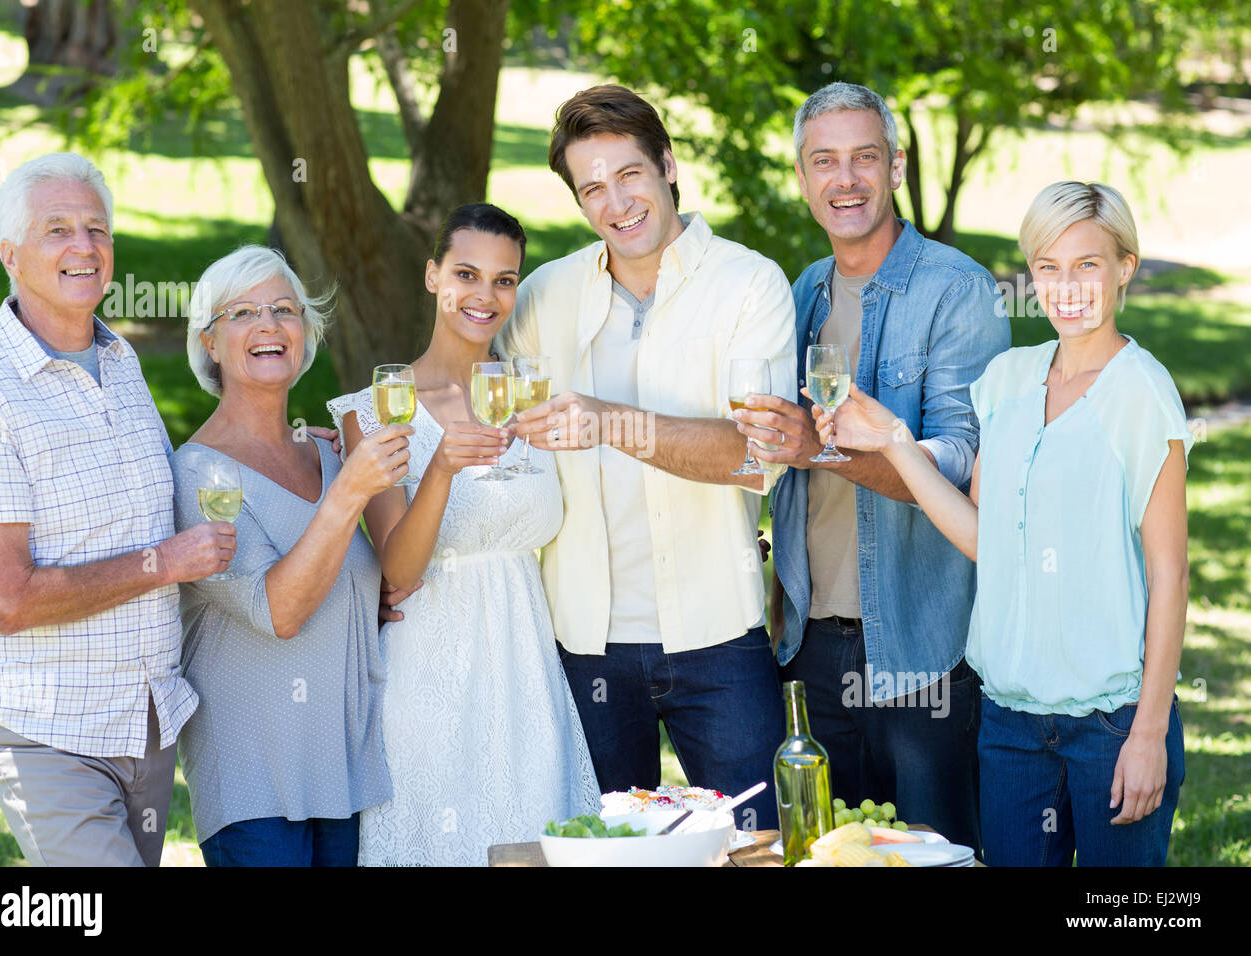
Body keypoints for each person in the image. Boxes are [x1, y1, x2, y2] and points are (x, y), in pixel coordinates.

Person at [819, 181, 1189, 866]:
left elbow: (1169, 574)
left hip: (1111, 722)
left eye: (1087, 265)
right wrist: (898, 440)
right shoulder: (1007, 381)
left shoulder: (1143, 392)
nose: (1066, 286)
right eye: (1047, 268)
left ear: (1124, 269)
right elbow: (982, 538)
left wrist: (1149, 732)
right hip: (1009, 725)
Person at [500, 86, 796, 831]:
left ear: (666, 165)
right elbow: (488, 421)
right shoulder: (544, 297)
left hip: (718, 637)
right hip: (583, 641)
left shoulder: (748, 284)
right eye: (592, 187)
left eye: (629, 174)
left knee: (756, 845)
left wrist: (611, 422)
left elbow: (755, 461)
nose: (616, 203)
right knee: (597, 853)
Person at [734, 82, 1009, 849]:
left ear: (895, 167)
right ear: (802, 178)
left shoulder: (959, 290)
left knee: (934, 854)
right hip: (811, 644)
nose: (844, 179)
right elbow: (775, 451)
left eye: (864, 157)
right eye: (824, 161)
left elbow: (957, 465)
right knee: (829, 853)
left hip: (923, 646)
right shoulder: (803, 295)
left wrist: (822, 449)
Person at [0, 153, 233, 866]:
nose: (84, 247)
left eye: (96, 229)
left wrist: (287, 449)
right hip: (45, 725)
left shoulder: (120, 361)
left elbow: (145, 500)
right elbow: (8, 600)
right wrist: (162, 565)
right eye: (57, 230)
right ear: (11, 254)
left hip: (142, 718)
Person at [330, 203, 601, 866]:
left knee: (532, 848)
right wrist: (443, 468)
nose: (485, 296)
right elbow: (398, 570)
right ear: (433, 276)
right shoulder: (377, 411)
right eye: (467, 274)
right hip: (429, 678)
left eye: (505, 280)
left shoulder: (533, 397)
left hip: (527, 675)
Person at [170, 245, 412, 866]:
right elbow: (278, 611)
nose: (268, 326)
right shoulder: (198, 473)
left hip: (344, 775)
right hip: (254, 788)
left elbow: (353, 577)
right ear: (210, 343)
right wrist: (353, 491)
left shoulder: (329, 456)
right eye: (243, 313)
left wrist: (372, 598)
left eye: (284, 309)